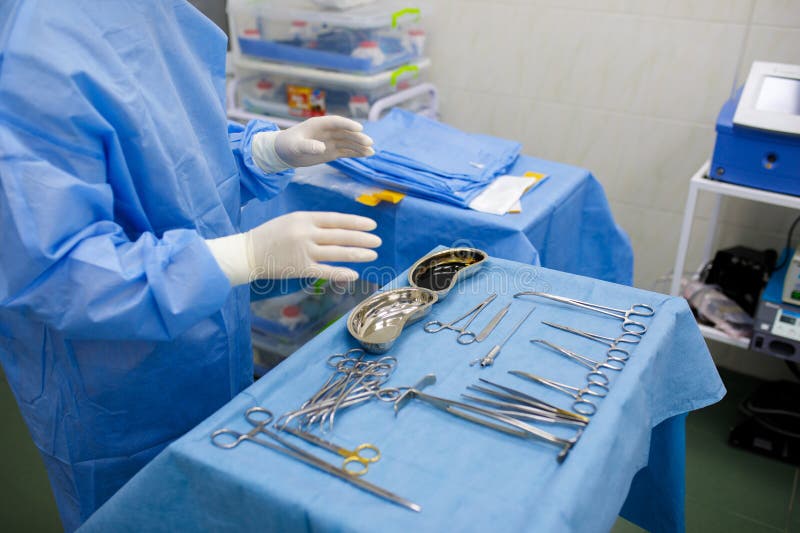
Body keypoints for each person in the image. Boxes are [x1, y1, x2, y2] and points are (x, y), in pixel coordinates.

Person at [0, 1, 381, 529]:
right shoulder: (34, 49)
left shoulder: (159, 13)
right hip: (115, 390)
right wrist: (245, 256)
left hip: (206, 350)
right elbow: (62, 273)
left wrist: (264, 152)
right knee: (138, 513)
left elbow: (167, 154)